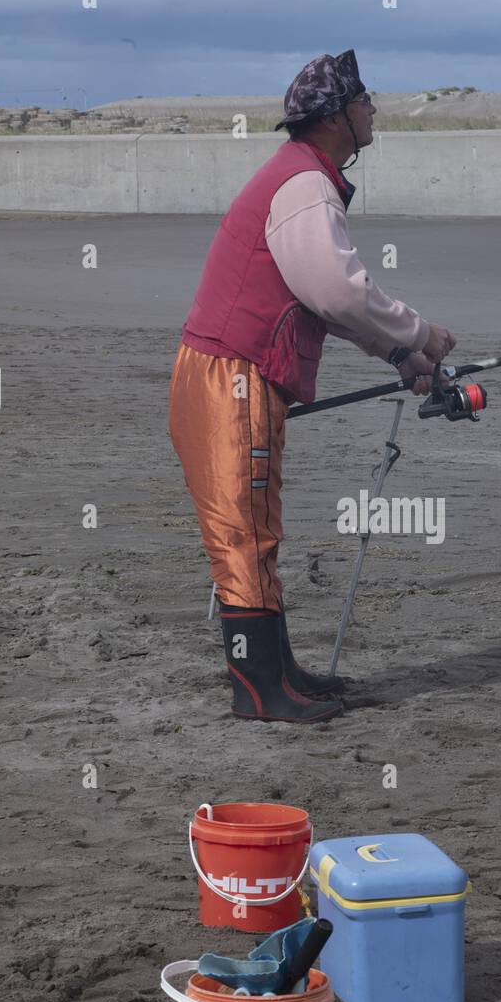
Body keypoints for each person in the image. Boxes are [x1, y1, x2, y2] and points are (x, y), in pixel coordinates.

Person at [169, 49, 455, 724]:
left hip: (231, 374)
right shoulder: (303, 183)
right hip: (228, 377)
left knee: (257, 528)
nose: (373, 108)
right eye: (365, 101)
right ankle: (260, 692)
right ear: (336, 118)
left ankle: (278, 674)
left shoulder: (301, 176)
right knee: (244, 534)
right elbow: (337, 290)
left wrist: (397, 356)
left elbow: (323, 299)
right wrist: (419, 336)